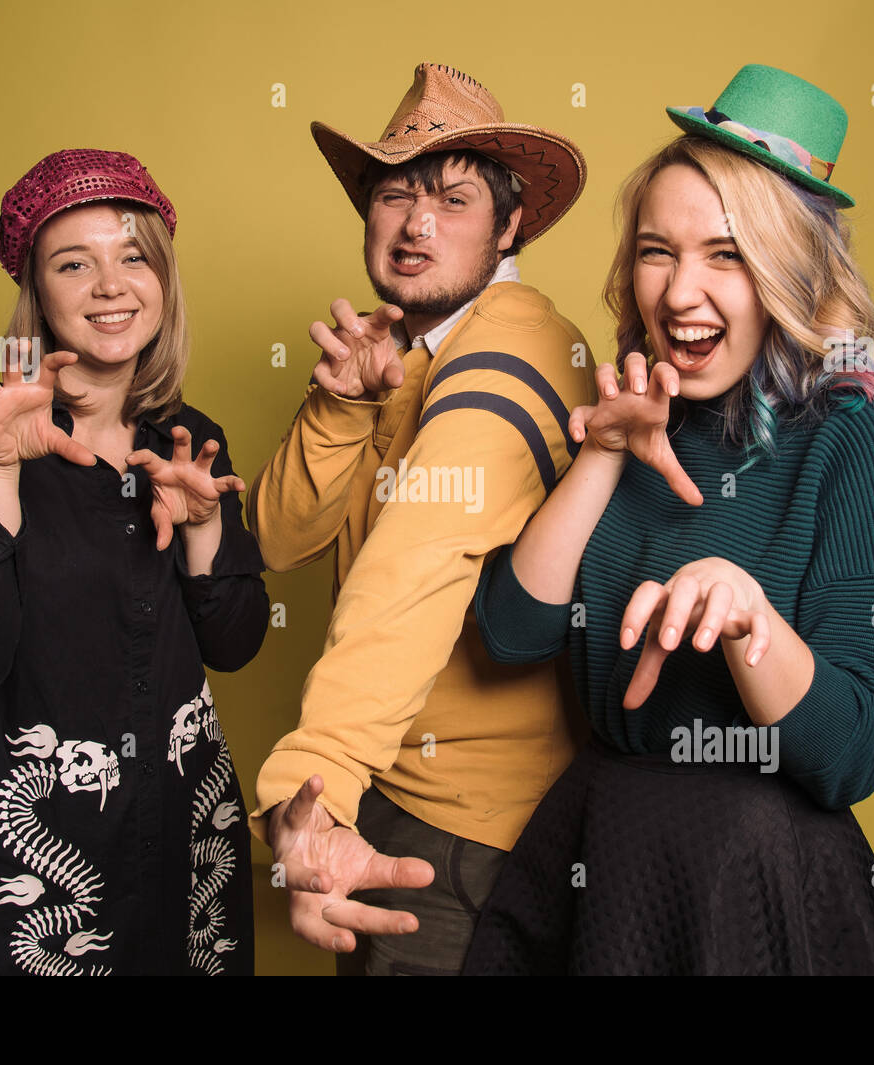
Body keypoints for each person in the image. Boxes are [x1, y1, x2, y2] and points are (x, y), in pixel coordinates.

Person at [462, 65, 874, 975]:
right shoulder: (648, 412)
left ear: (792, 268)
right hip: (601, 850)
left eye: (725, 254)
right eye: (657, 250)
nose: (680, 292)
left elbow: (855, 750)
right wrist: (604, 453)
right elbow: (510, 634)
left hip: (759, 880)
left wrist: (749, 619)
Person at [246, 62, 597, 975]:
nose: (417, 224)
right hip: (388, 792)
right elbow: (277, 539)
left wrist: (308, 792)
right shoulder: (403, 345)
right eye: (395, 193)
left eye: (455, 198)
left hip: (463, 835)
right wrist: (341, 408)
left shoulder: (509, 352)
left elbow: (413, 570)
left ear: (511, 225)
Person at [0, 149, 268, 975]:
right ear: (36, 293)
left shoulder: (184, 437)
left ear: (162, 280)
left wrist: (205, 524)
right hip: (22, 865)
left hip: (180, 838)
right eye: (75, 263)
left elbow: (237, 644)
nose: (110, 285)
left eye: (133, 256)